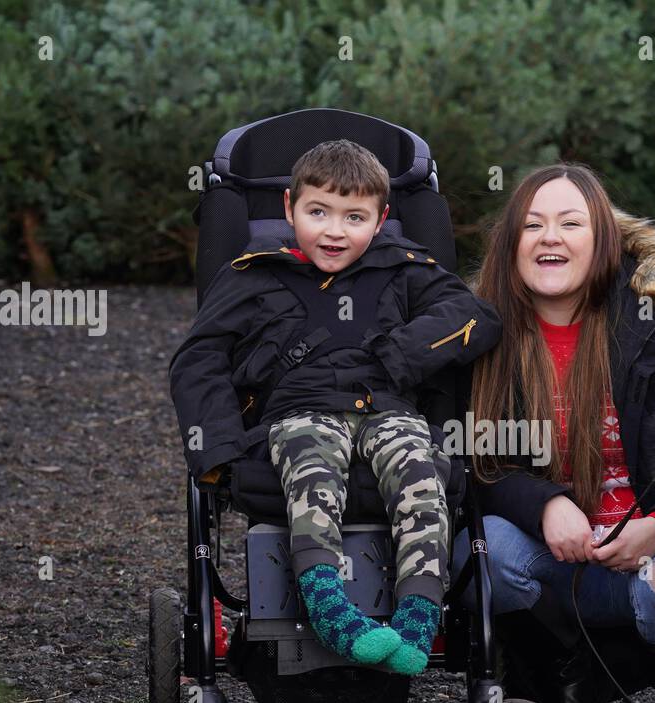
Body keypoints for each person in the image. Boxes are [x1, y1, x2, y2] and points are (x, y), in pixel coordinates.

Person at [170, 139, 500, 675]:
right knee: (311, 461)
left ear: (381, 220)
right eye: (317, 212)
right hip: (300, 410)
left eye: (354, 217)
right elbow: (199, 358)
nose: (334, 230)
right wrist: (216, 451)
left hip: (388, 408)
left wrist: (402, 353)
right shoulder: (253, 275)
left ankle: (417, 616)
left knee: (419, 466)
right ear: (288, 210)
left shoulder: (404, 270)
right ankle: (329, 607)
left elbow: (475, 318)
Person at [454, 162, 655, 703]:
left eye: (570, 223)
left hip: (652, 553)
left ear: (603, 239)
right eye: (533, 225)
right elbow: (469, 462)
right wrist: (544, 505)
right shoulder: (479, 333)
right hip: (560, 564)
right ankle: (564, 667)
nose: (551, 238)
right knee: (480, 555)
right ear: (509, 244)